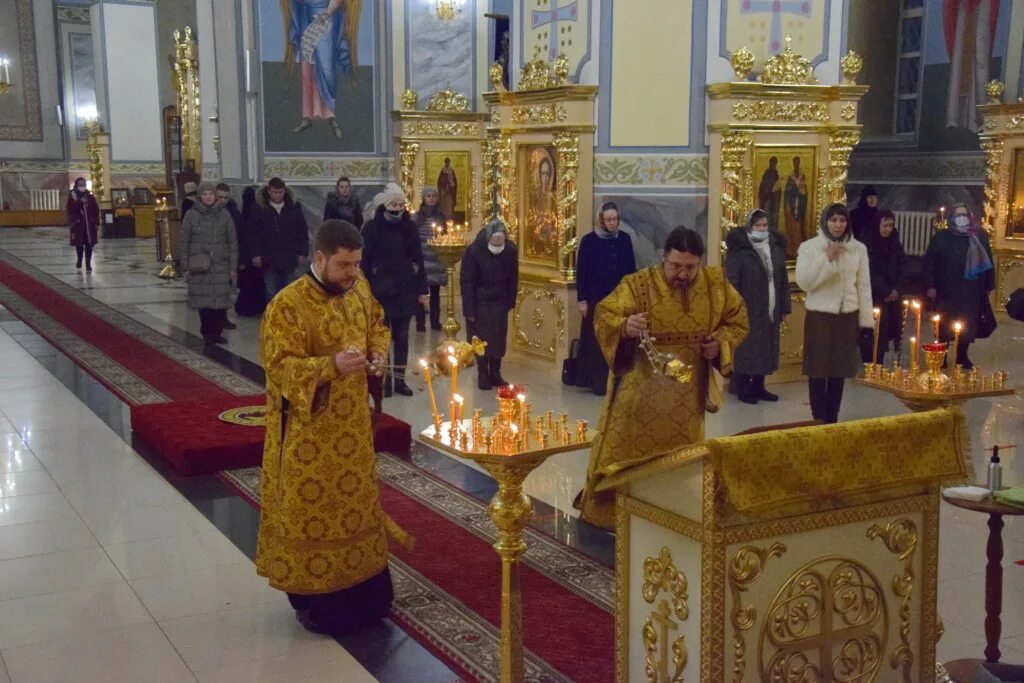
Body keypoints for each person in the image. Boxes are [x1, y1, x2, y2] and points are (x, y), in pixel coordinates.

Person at [257, 219, 397, 637]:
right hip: (308, 438)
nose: (352, 274)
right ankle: (315, 603)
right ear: (319, 258)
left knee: (355, 509)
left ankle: (368, 595)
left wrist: (377, 353)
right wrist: (329, 366)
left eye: (356, 264)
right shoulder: (288, 305)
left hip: (353, 432)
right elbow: (278, 367)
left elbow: (379, 325)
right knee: (312, 513)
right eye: (343, 265)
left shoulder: (360, 289)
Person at [575, 227, 749, 529]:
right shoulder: (638, 284)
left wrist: (719, 343)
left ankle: (672, 514)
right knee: (625, 456)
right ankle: (612, 515)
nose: (682, 274)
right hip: (639, 393)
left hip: (686, 400)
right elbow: (604, 315)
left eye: (690, 267)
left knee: (679, 462)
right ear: (663, 257)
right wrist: (626, 326)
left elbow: (738, 320)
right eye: (675, 266)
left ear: (700, 262)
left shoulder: (715, 284)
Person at [795, 203, 872, 424]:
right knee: (818, 369)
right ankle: (818, 418)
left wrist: (866, 322)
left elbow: (863, 286)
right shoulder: (810, 248)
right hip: (820, 316)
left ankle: (833, 417)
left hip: (847, 316)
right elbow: (805, 283)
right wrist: (826, 259)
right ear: (825, 221)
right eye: (833, 220)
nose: (838, 225)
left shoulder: (858, 249)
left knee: (839, 369)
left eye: (842, 220)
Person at [361, 183, 428, 396]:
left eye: (400, 204)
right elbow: (364, 262)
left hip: (404, 290)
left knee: (401, 338)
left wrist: (422, 289)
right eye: (393, 204)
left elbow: (418, 259)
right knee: (381, 340)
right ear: (385, 205)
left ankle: (399, 381)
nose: (397, 208)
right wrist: (365, 289)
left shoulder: (409, 227)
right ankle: (384, 381)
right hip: (380, 292)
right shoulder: (371, 228)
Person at [725, 208, 790, 404]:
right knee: (747, 348)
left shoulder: (775, 249)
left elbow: (783, 281)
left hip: (770, 305)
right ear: (749, 227)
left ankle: (759, 386)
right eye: (758, 225)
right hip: (748, 308)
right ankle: (743, 387)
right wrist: (735, 308)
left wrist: (785, 308)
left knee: (766, 347)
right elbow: (731, 282)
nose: (762, 229)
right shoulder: (740, 251)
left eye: (765, 225)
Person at [923, 202, 995, 368]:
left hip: (972, 289)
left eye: (964, 215)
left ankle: (961, 356)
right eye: (958, 215)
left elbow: (988, 261)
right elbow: (929, 263)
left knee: (968, 322)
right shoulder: (942, 237)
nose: (962, 218)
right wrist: (930, 285)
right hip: (947, 288)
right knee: (944, 323)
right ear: (952, 218)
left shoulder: (979, 236)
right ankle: (941, 354)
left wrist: (989, 284)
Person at [575, 202, 637, 395]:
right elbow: (582, 272)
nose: (611, 223)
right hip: (595, 300)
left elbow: (631, 270)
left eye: (615, 219)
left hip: (619, 300)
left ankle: (618, 379)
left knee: (618, 340)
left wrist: (632, 295)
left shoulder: (624, 239)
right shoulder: (589, 241)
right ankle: (598, 381)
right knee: (596, 341)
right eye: (608, 219)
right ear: (601, 220)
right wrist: (582, 300)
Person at [280, 0, 361, 138]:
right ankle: (308, 116)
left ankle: (330, 113)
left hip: (325, 18)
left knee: (326, 66)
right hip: (306, 18)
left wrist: (327, 12)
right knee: (307, 69)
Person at [461, 218, 518, 390]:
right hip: (479, 302)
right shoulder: (474, 251)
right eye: (494, 242)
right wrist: (469, 309)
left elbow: (513, 277)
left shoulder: (510, 250)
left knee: (498, 339)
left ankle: (495, 372)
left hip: (500, 301)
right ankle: (483, 374)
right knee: (481, 340)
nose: (498, 246)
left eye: (501, 242)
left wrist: (510, 300)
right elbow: (467, 281)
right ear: (488, 238)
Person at [179, 182, 238, 345]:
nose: (208, 197)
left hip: (221, 264)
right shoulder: (191, 215)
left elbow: (232, 241)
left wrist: (233, 266)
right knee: (204, 301)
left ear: (214, 196)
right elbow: (184, 241)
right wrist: (185, 266)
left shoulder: (224, 214)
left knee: (220, 301)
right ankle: (207, 332)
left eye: (210, 194)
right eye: (204, 194)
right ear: (200, 196)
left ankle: (217, 331)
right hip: (200, 265)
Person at [250, 177, 310, 303]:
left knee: (290, 290)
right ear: (269, 191)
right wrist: (255, 254)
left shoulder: (293, 208)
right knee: (271, 291)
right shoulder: (260, 209)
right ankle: (274, 318)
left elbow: (302, 232)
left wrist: (303, 252)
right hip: (268, 257)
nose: (277, 195)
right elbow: (253, 234)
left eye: (280, 192)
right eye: (274, 192)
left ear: (285, 191)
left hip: (289, 256)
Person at [859, 209, 905, 365]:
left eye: (890, 225)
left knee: (886, 330)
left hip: (892, 295)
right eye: (884, 225)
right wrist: (886, 290)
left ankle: (879, 361)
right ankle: (870, 361)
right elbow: (869, 270)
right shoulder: (868, 242)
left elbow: (902, 266)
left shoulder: (894, 241)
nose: (887, 229)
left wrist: (897, 289)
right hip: (874, 294)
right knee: (873, 330)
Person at [413, 186, 447, 332]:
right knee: (420, 292)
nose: (431, 198)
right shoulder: (416, 217)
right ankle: (420, 323)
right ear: (423, 198)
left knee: (435, 293)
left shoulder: (441, 217)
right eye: (428, 196)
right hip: (422, 259)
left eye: (433, 196)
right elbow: (413, 239)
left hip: (436, 259)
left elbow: (445, 236)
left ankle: (435, 322)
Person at [234, 186, 266, 317]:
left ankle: (247, 307)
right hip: (255, 253)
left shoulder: (247, 212)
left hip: (250, 254)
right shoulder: (257, 211)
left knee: (249, 283)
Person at [66, 177, 99, 272]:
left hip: (89, 225)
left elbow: (95, 210)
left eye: (83, 184)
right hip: (78, 224)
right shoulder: (72, 196)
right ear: (76, 185)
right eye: (80, 184)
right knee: (79, 244)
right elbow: (70, 209)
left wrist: (96, 222)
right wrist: (80, 202)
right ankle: (79, 260)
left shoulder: (90, 196)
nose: (82, 186)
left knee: (89, 244)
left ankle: (88, 264)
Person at [783, 156, 809, 258]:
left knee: (800, 228)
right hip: (792, 206)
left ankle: (800, 252)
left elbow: (805, 192)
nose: (796, 164)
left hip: (800, 206)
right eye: (795, 162)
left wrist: (802, 191)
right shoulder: (791, 176)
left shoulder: (802, 175)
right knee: (792, 229)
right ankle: (792, 251)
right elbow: (787, 192)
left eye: (798, 162)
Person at [757, 156, 782, 232]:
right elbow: (764, 186)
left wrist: (778, 190)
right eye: (773, 163)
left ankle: (773, 231)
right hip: (767, 198)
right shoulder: (767, 173)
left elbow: (778, 186)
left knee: (774, 216)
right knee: (767, 216)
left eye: (775, 163)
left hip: (774, 198)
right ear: (770, 163)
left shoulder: (776, 173)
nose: (774, 165)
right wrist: (769, 188)